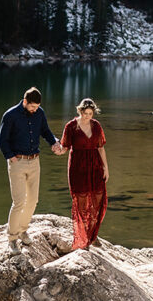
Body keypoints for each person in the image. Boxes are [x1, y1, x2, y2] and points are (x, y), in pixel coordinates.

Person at [0, 86, 65, 253]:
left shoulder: (39, 113)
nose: (35, 110)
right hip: (17, 162)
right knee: (19, 202)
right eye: (32, 107)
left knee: (33, 200)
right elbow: (2, 139)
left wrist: (54, 142)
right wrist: (10, 156)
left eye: (37, 107)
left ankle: (22, 230)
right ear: (25, 101)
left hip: (35, 161)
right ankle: (12, 239)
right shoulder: (11, 115)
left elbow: (45, 131)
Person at [60, 97, 109, 250]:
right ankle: (83, 239)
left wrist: (106, 168)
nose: (88, 116)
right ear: (80, 111)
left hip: (95, 166)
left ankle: (92, 235)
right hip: (77, 167)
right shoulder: (71, 126)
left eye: (91, 113)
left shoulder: (96, 126)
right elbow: (64, 146)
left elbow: (101, 148)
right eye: (85, 113)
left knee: (97, 199)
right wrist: (56, 149)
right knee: (80, 201)